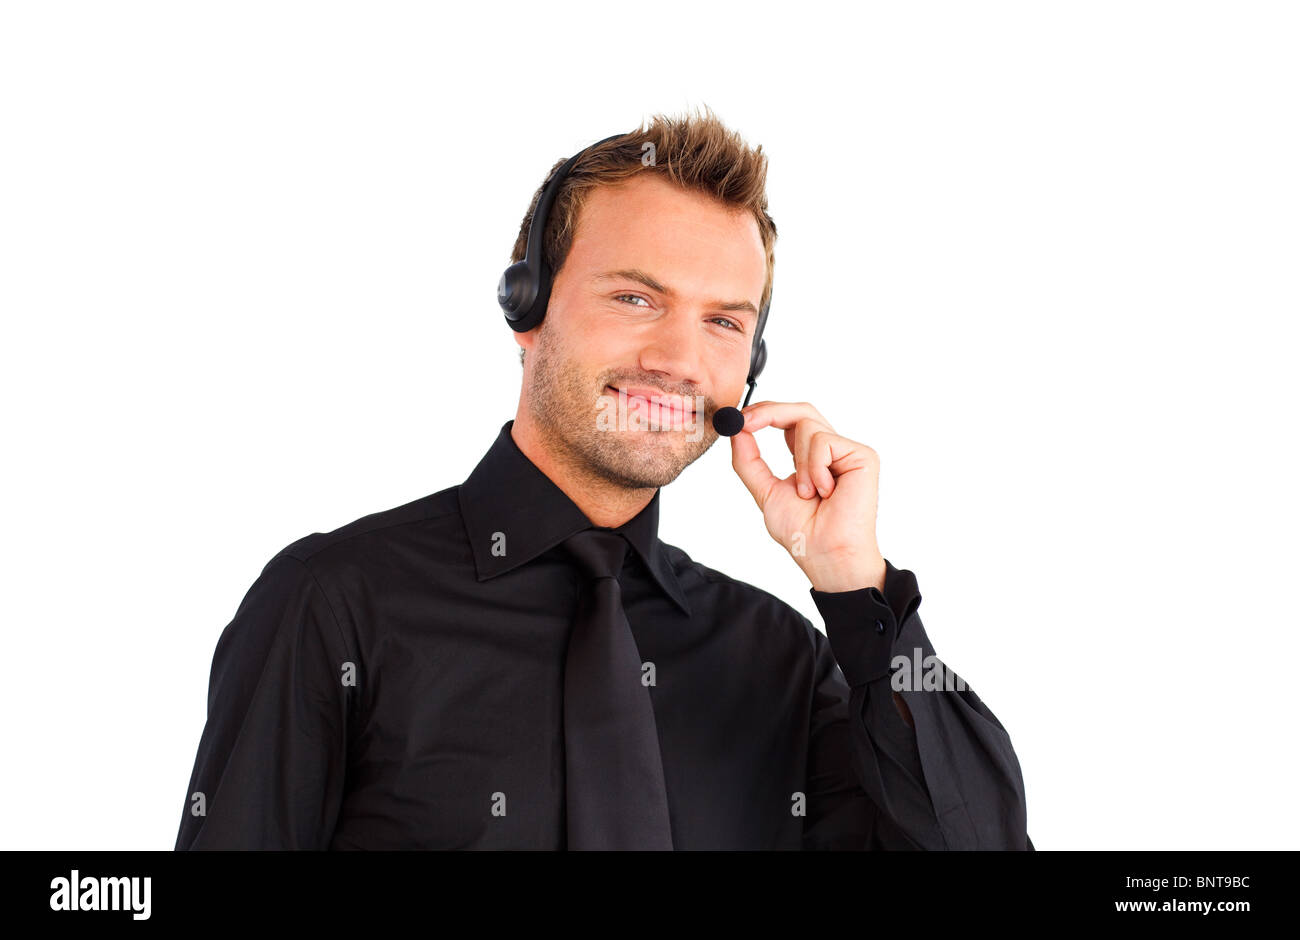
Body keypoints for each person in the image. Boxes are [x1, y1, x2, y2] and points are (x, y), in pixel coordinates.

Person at [175, 107, 1032, 850]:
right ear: (526, 306)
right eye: (635, 299)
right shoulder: (333, 604)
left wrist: (858, 588)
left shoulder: (782, 662)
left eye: (723, 322)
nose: (678, 359)